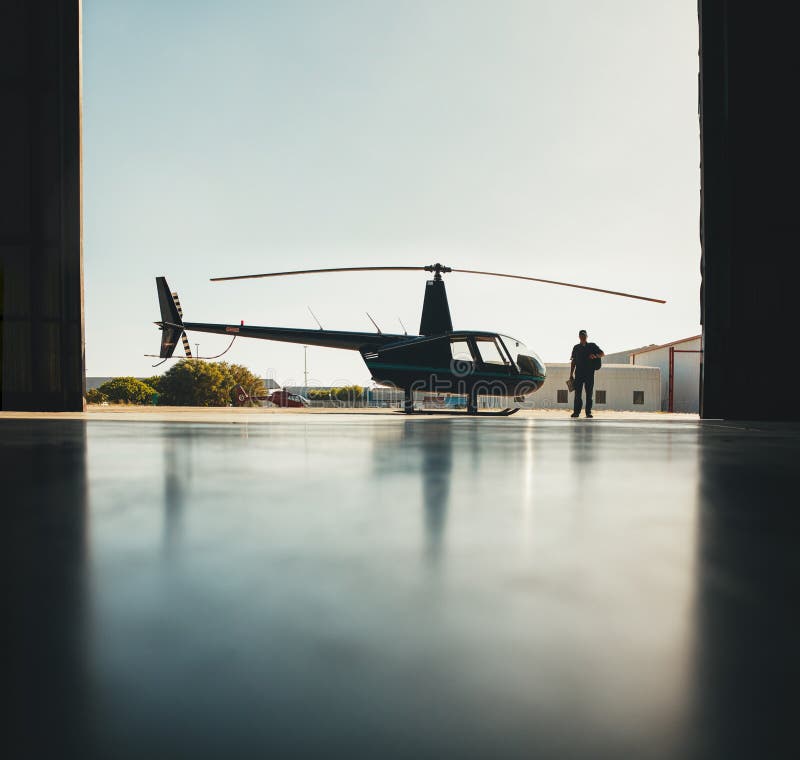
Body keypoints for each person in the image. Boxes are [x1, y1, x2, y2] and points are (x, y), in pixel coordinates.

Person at [569, 329, 604, 418]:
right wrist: (571, 374)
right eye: (581, 336)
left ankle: (588, 412)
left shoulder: (592, 346)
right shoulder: (576, 347)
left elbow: (602, 353)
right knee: (577, 394)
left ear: (587, 336)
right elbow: (573, 361)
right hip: (579, 374)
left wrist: (595, 356)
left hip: (589, 374)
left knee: (589, 394)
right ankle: (576, 412)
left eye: (584, 336)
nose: (583, 337)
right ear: (579, 337)